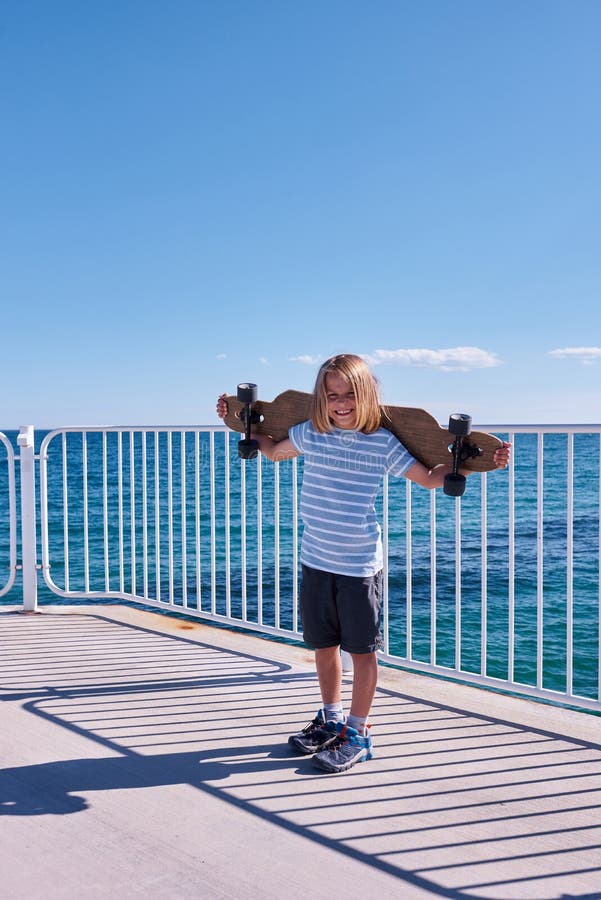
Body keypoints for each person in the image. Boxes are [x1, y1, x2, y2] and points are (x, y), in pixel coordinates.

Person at [216, 353, 511, 774]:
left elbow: (428, 476)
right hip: (315, 559)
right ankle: (331, 719)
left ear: (366, 395)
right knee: (323, 646)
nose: (341, 403)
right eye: (332, 395)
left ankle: (358, 732)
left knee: (362, 652)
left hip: (358, 566)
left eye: (350, 395)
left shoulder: (382, 443)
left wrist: (478, 463)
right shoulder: (311, 432)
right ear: (322, 399)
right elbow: (275, 451)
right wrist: (242, 423)